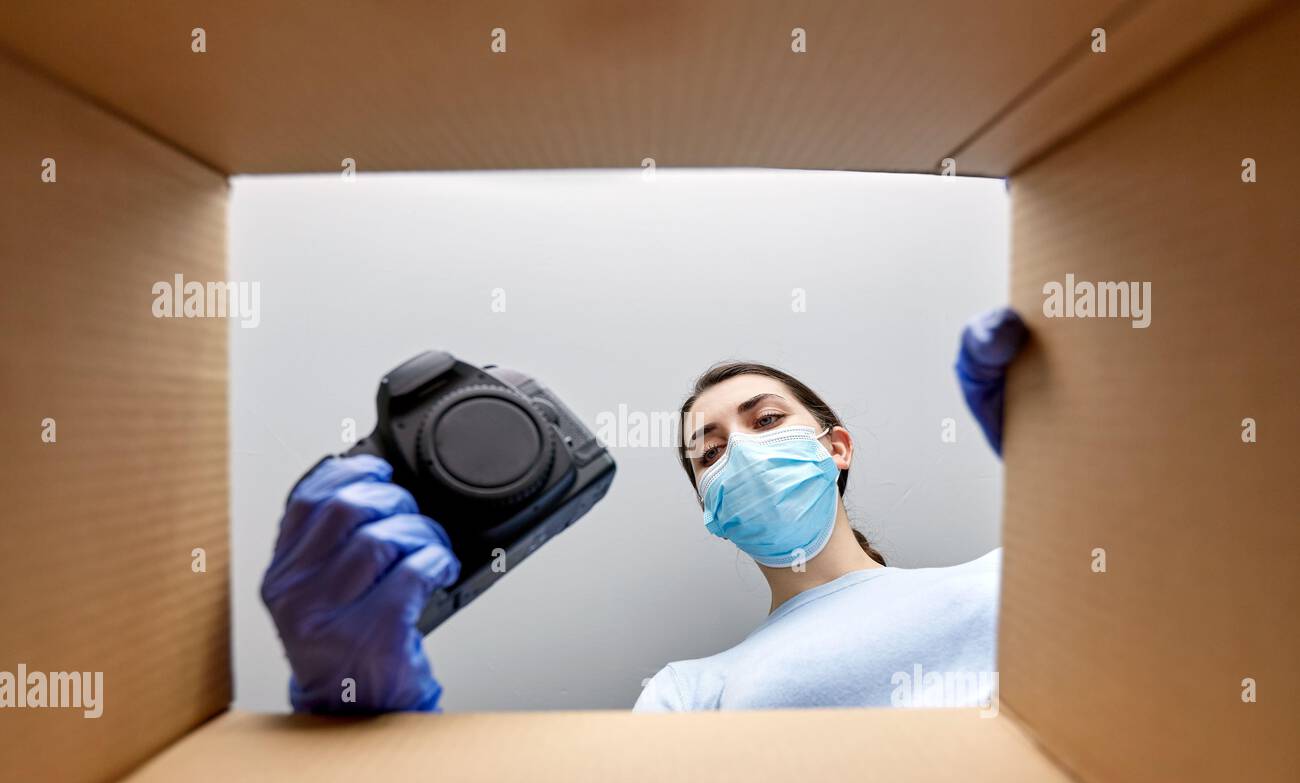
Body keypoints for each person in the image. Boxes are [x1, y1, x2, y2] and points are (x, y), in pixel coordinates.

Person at [261, 308, 1027, 714]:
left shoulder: (1013, 583)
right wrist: (356, 706)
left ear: (837, 448)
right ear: (711, 509)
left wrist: (1091, 467)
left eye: (765, 422)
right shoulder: (689, 690)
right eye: (710, 452)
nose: (744, 453)